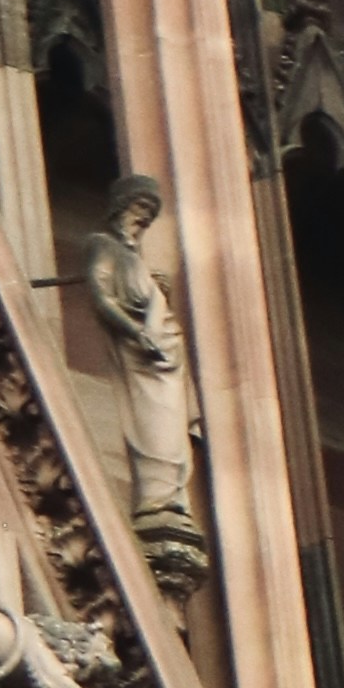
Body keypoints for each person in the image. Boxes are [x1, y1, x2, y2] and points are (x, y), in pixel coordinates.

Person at [86, 177, 203, 545]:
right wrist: (138, 334)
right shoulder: (101, 245)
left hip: (165, 359)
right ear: (121, 209)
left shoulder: (139, 264)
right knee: (152, 430)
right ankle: (155, 502)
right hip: (141, 357)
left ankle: (171, 502)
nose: (143, 222)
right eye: (139, 212)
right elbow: (101, 297)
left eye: (149, 216)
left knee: (173, 438)